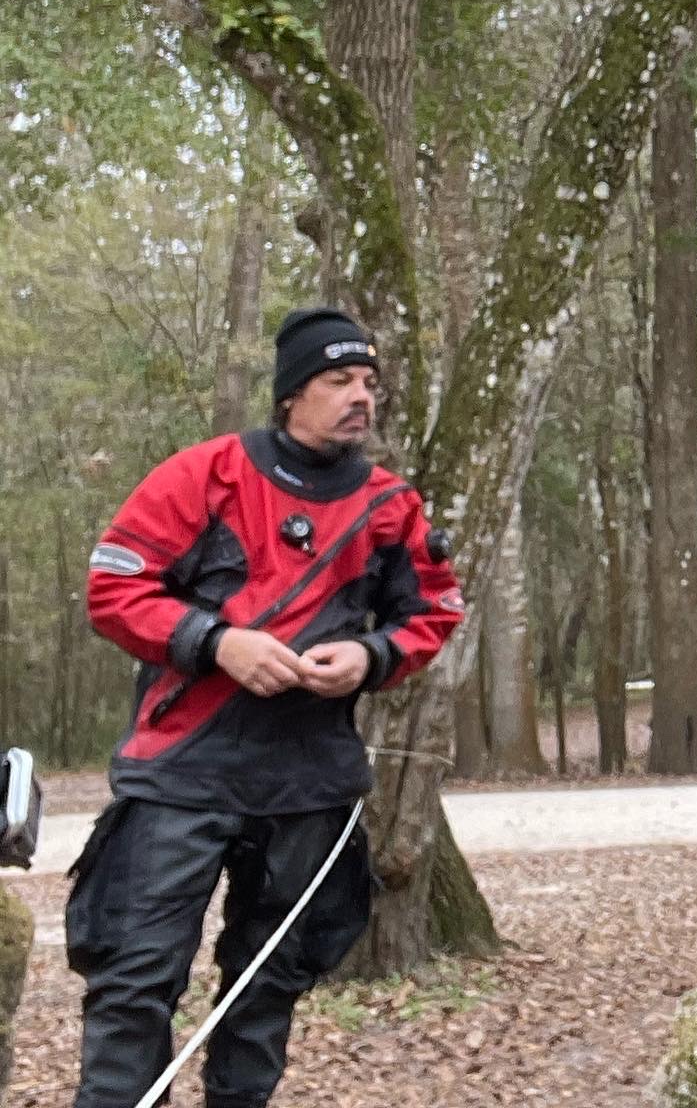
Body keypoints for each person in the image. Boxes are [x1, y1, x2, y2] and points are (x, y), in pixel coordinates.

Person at [67, 307, 465, 1108]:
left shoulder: (390, 506)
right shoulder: (203, 475)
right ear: (291, 394)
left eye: (369, 382)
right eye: (338, 380)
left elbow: (433, 610)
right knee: (133, 980)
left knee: (266, 988)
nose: (360, 396)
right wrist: (217, 643)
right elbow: (113, 589)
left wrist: (370, 656)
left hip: (309, 785)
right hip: (180, 774)